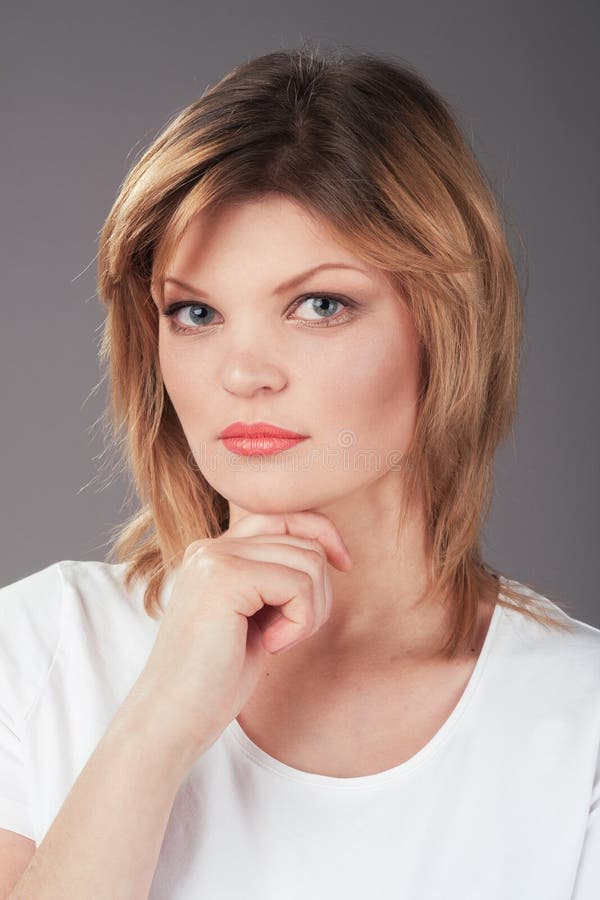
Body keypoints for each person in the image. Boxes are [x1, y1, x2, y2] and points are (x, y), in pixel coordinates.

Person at [0, 44, 598, 900]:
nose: (243, 373)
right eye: (195, 313)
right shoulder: (41, 649)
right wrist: (155, 724)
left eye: (319, 305)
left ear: (448, 330)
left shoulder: (578, 724)